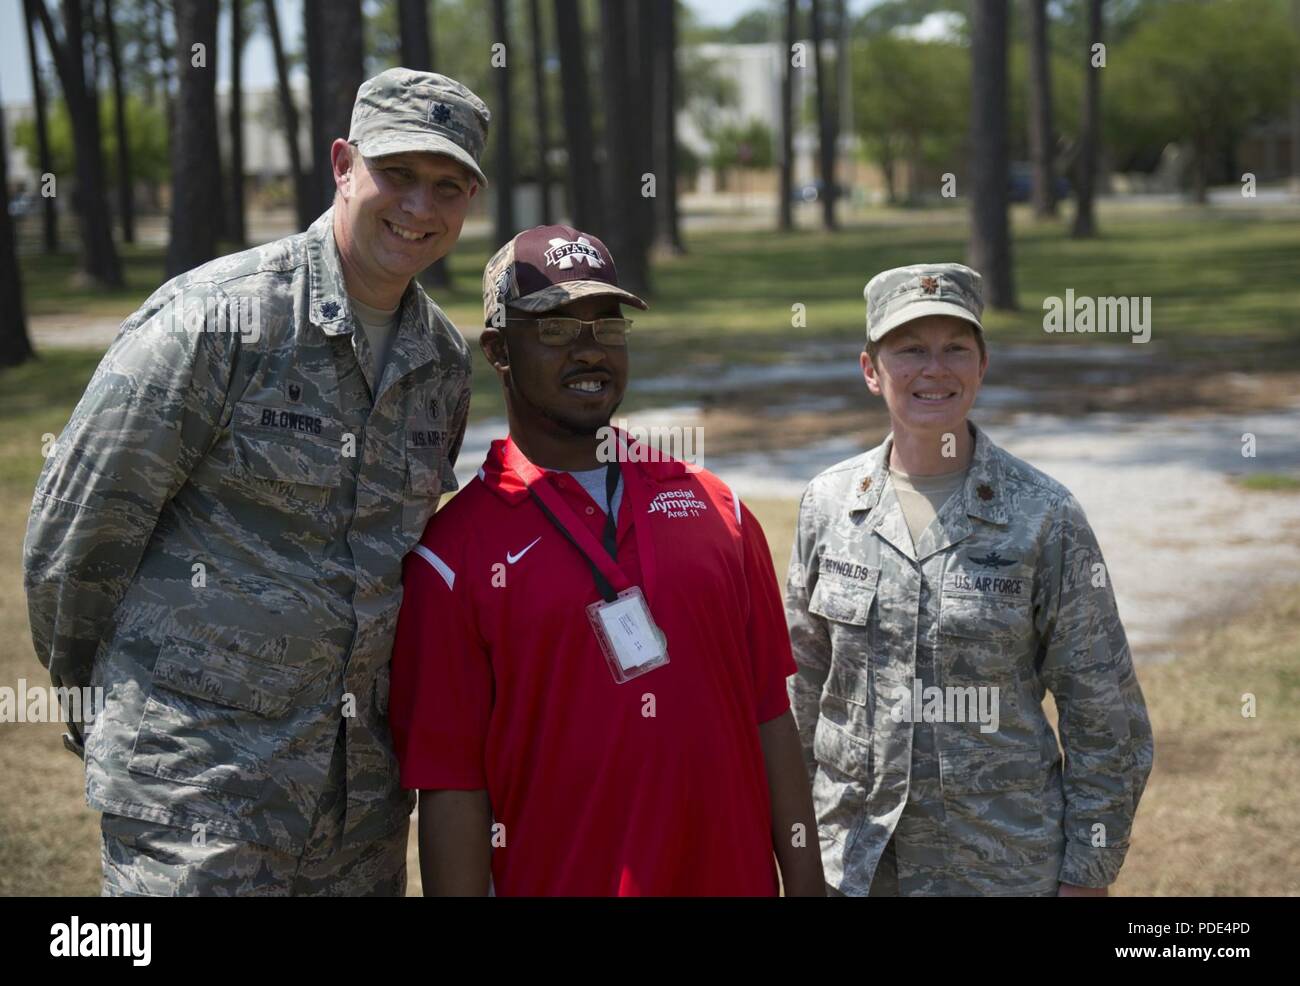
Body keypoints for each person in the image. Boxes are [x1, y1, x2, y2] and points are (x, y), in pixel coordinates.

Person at [22, 68, 489, 896]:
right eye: (399, 175)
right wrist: (110, 719)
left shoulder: (442, 365)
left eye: (447, 186)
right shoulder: (218, 318)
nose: (421, 207)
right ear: (343, 165)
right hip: (197, 797)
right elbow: (76, 538)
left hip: (359, 814)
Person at [389, 224, 825, 896]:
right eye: (556, 329)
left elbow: (771, 715)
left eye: (607, 326)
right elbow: (453, 792)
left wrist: (807, 885)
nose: (589, 350)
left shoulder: (718, 510)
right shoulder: (451, 560)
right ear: (499, 350)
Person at [785, 263, 1154, 896]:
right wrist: (793, 855)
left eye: (956, 348)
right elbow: (800, 691)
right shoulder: (829, 505)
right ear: (871, 370)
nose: (935, 369)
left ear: (982, 367)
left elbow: (1104, 713)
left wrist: (1088, 878)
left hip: (999, 869)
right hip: (854, 866)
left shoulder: (1043, 515)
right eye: (910, 350)